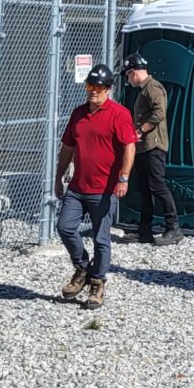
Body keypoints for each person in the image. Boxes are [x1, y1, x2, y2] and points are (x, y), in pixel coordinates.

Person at [53, 63, 137, 309]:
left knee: (102, 239)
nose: (93, 92)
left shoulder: (119, 114)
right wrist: (59, 177)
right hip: (78, 187)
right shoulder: (78, 114)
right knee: (65, 227)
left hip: (105, 190)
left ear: (108, 90)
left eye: (98, 87)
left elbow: (129, 147)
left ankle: (97, 284)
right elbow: (68, 148)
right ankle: (82, 268)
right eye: (90, 86)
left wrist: (123, 177)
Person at [122, 53, 182, 245]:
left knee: (157, 185)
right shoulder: (144, 89)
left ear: (134, 72)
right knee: (145, 189)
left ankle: (173, 227)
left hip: (153, 145)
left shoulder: (152, 87)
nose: (127, 79)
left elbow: (159, 113)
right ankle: (144, 231)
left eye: (128, 75)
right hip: (143, 147)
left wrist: (140, 130)